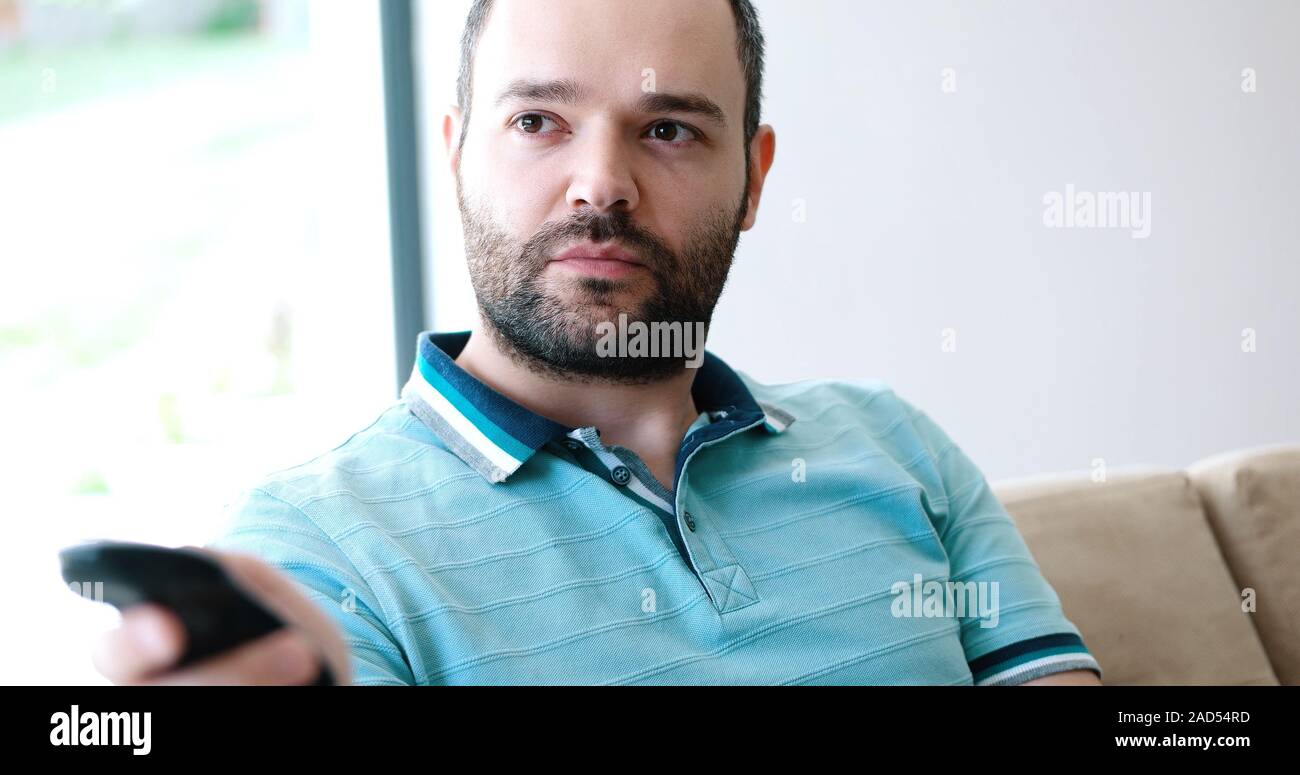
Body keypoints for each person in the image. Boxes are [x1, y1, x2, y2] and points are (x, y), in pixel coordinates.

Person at [94, 0, 1102, 686]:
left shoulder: (896, 444)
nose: (599, 185)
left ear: (753, 176)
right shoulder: (315, 545)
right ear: (456, 155)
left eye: (667, 130)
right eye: (538, 120)